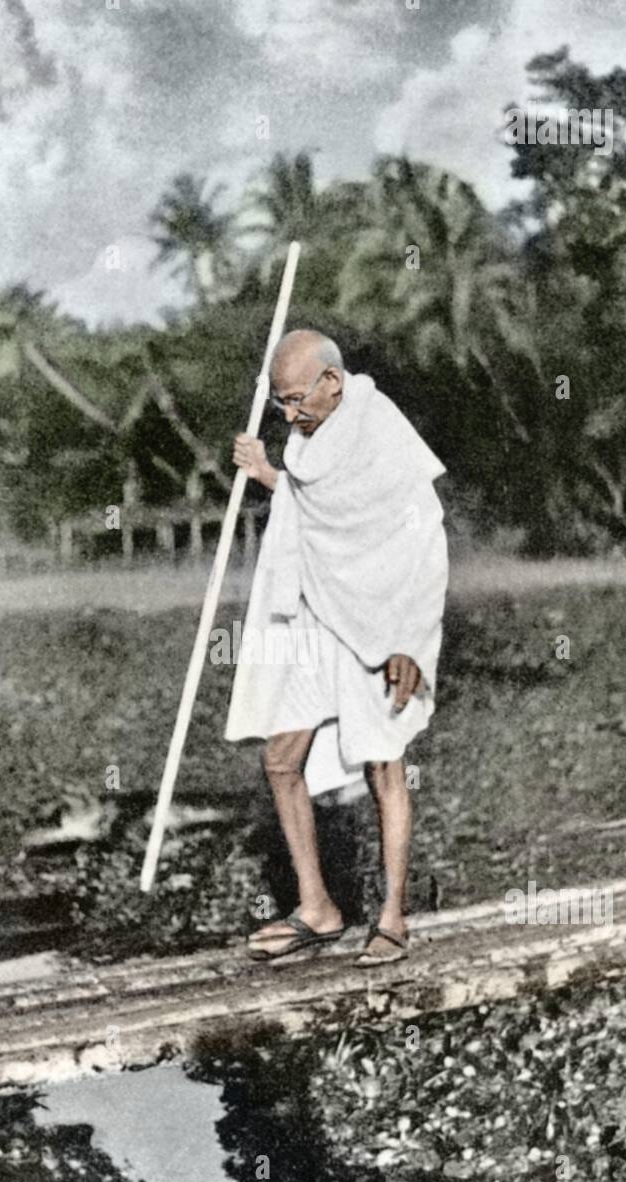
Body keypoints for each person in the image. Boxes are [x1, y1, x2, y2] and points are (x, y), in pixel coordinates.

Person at [225, 329, 448, 966]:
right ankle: (318, 906)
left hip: (379, 625)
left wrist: (409, 640)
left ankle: (393, 918)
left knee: (384, 764)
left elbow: (425, 541)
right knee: (279, 759)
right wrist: (267, 470)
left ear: (333, 381)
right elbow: (312, 510)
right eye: (280, 407)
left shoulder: (381, 432)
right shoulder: (306, 443)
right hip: (315, 618)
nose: (291, 416)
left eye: (298, 400)